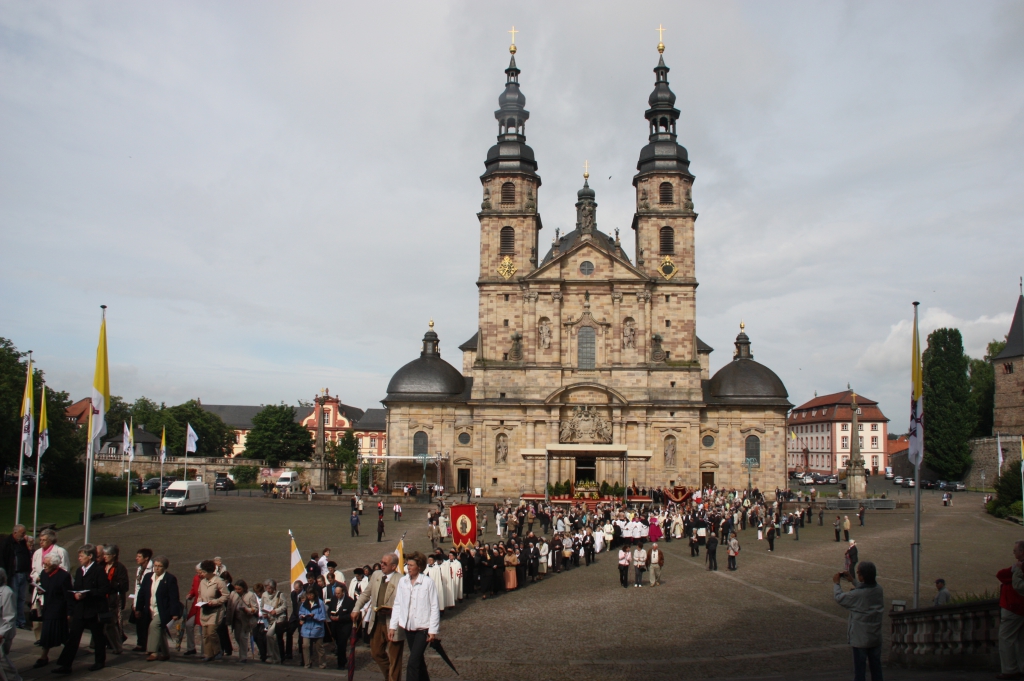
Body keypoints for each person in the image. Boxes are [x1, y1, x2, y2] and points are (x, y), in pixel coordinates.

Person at [53, 544, 110, 674]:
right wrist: (75, 594)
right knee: (73, 637)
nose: (79, 558)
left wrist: (88, 593)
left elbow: (104, 589)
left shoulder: (98, 570)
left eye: (81, 556)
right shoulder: (79, 571)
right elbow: (77, 587)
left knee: (98, 637)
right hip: (80, 610)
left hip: (94, 610)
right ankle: (66, 664)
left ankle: (99, 661)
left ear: (90, 556)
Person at [389, 552, 440, 681]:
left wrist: (433, 630)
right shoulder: (403, 581)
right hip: (408, 628)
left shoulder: (427, 583)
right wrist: (392, 626)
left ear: (419, 567)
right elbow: (398, 604)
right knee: (418, 660)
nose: (408, 567)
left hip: (423, 629)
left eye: (411, 565)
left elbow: (434, 607)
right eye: (408, 564)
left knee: (412, 663)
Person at [352, 553, 404, 681]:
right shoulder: (376, 575)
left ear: (393, 566)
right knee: (376, 653)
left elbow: (405, 603)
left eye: (385, 563)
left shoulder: (401, 580)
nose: (381, 565)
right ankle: (389, 676)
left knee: (394, 658)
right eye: (381, 562)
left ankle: (393, 678)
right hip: (376, 622)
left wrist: (392, 611)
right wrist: (356, 608)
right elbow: (366, 594)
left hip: (392, 624)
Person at [833, 561, 884, 681]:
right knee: (876, 669)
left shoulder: (858, 595)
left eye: (858, 573)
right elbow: (867, 586)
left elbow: (839, 598)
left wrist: (836, 583)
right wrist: (853, 581)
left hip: (860, 638)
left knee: (860, 672)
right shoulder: (879, 590)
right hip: (875, 636)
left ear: (862, 576)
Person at [135, 555, 181, 662]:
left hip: (163, 610)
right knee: (159, 631)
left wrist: (175, 613)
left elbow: (174, 597)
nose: (156, 568)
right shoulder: (148, 577)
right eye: (155, 566)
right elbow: (141, 594)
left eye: (159, 566)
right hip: (150, 609)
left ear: (164, 567)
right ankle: (165, 653)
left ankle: (153, 651)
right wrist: (138, 609)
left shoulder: (169, 579)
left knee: (154, 626)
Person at [33, 553, 70, 669]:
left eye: (47, 563)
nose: (44, 565)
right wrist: (40, 591)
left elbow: (67, 595)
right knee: (48, 633)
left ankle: (47, 656)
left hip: (59, 610)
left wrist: (69, 612)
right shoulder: (44, 574)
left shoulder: (63, 576)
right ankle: (44, 656)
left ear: (54, 564)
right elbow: (44, 587)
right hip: (48, 608)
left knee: (61, 634)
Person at [997, 540, 1024, 679]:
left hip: (1014, 607)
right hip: (1017, 607)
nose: (1014, 553)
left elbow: (1003, 576)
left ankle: (1010, 669)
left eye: (1015, 551)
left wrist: (1016, 570)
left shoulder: (1019, 567)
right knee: (1019, 639)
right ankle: (1019, 667)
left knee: (1006, 638)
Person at [197, 559, 229, 661]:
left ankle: (218, 651)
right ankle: (208, 654)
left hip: (215, 611)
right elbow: (199, 594)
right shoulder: (202, 582)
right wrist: (200, 601)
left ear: (210, 572)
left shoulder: (219, 581)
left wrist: (214, 602)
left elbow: (226, 595)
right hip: (205, 609)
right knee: (205, 634)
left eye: (204, 572)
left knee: (211, 632)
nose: (202, 574)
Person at [1, 524, 32, 629]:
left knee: (22, 599)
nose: (24, 535)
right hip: (13, 575)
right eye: (22, 533)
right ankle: (14, 622)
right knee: (13, 599)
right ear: (15, 533)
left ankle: (21, 621)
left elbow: (27, 557)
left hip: (23, 574)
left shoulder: (22, 543)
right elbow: (3, 560)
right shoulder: (7, 543)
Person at [101, 545, 129, 655]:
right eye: (104, 555)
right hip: (103, 598)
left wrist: (111, 584)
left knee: (111, 624)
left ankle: (117, 646)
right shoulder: (102, 566)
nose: (105, 557)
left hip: (113, 600)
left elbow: (124, 586)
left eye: (107, 555)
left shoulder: (119, 568)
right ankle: (101, 644)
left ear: (114, 555)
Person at [0, 568, 22, 681]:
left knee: (3, 661)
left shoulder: (6, 592)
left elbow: (9, 616)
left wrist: (1, 634)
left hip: (3, 632)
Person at [130, 548, 154, 651]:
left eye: (139, 556)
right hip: (140, 599)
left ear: (146, 558)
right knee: (139, 621)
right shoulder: (140, 569)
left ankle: (151, 645)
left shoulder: (152, 569)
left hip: (150, 599)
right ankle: (141, 643)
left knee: (149, 623)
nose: (136, 558)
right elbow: (137, 586)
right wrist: (135, 603)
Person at [229, 579, 258, 663]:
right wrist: (229, 620)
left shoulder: (250, 595)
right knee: (237, 636)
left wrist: (247, 610)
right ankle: (244, 649)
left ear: (244, 588)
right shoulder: (233, 594)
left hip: (246, 620)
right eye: (236, 589)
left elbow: (255, 609)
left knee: (243, 637)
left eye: (239, 589)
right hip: (237, 619)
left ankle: (243, 656)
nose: (237, 591)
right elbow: (230, 608)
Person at [260, 579, 287, 664]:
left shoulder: (280, 595)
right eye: (267, 588)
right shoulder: (264, 595)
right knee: (273, 639)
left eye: (270, 588)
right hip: (269, 619)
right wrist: (264, 613)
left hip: (278, 619)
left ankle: (272, 656)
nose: (268, 590)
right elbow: (262, 606)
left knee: (270, 635)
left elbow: (285, 606)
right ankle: (276, 658)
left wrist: (276, 611)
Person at [298, 587, 326, 668]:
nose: (309, 596)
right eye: (308, 595)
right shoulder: (304, 604)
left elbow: (323, 617)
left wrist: (315, 616)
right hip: (306, 628)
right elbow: (300, 613)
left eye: (311, 594)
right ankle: (307, 663)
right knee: (305, 646)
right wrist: (303, 616)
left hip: (317, 629)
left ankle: (322, 664)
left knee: (319, 648)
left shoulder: (320, 603)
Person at [328, 583, 355, 670]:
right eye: (336, 593)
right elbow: (329, 610)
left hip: (344, 626)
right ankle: (341, 658)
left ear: (343, 592)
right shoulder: (333, 599)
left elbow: (350, 615)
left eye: (338, 593)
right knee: (338, 644)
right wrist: (331, 616)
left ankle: (341, 663)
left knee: (342, 644)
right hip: (335, 626)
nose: (337, 595)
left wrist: (340, 618)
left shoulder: (349, 601)